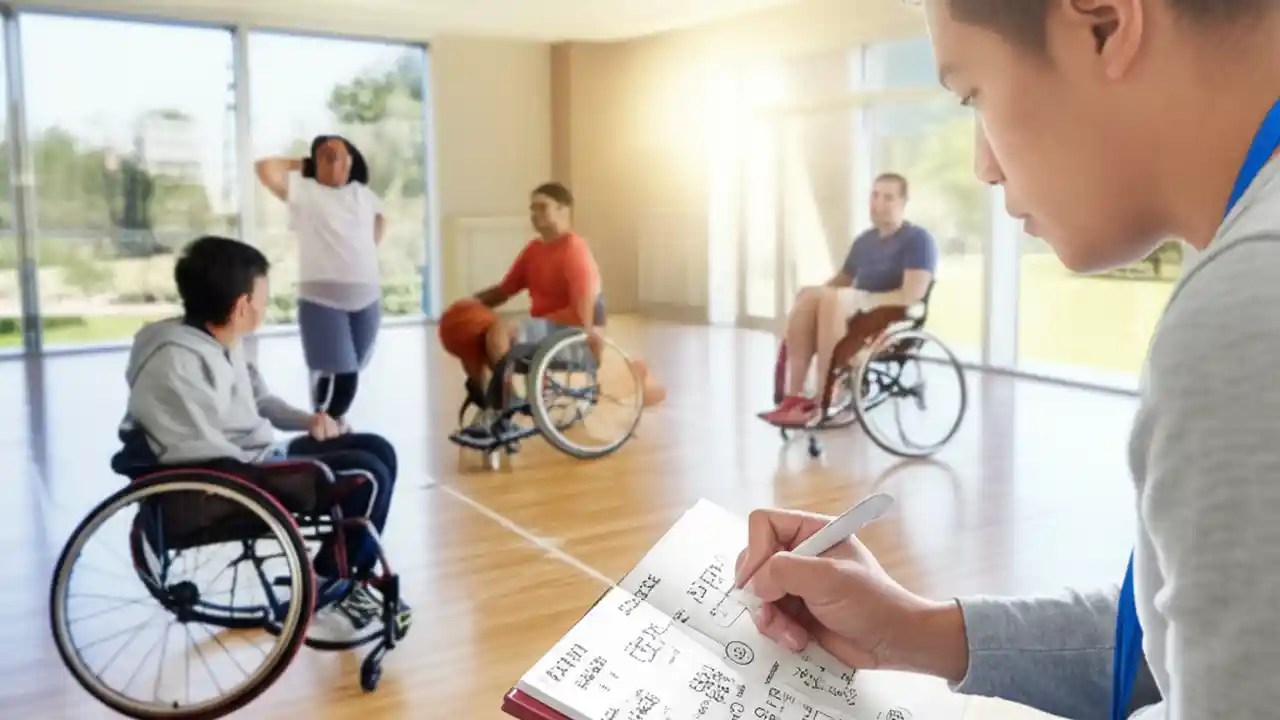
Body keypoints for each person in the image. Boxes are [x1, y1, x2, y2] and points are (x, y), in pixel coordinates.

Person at [736, 1, 1280, 718]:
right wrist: (908, 629)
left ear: (1106, 24)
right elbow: (1171, 640)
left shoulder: (1247, 310)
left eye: (972, 94)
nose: (982, 166)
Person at [121, 235, 405, 631]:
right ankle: (330, 585)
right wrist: (279, 467)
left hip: (255, 458)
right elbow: (196, 451)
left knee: (379, 451)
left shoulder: (224, 340)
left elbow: (261, 399)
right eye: (262, 299)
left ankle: (338, 577)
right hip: (236, 477)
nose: (265, 308)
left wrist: (311, 421)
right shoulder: (176, 362)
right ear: (240, 306)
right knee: (368, 475)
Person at [760, 173, 937, 426]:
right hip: (853, 309)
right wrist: (809, 299)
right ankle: (793, 398)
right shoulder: (865, 241)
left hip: (889, 312)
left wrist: (865, 300)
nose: (878, 203)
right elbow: (838, 283)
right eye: (874, 195)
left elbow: (912, 293)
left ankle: (823, 397)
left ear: (903, 202)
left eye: (888, 197)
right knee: (809, 294)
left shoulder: (918, 240)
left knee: (833, 300)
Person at [255, 135, 386, 425]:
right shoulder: (305, 191)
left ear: (351, 162)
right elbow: (264, 168)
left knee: (355, 365)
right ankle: (327, 424)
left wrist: (367, 251)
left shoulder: (363, 194)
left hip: (367, 296)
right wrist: (301, 164)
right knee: (343, 374)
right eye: (324, 155)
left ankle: (328, 422)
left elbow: (381, 218)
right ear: (314, 162)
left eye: (339, 154)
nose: (333, 160)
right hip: (321, 299)